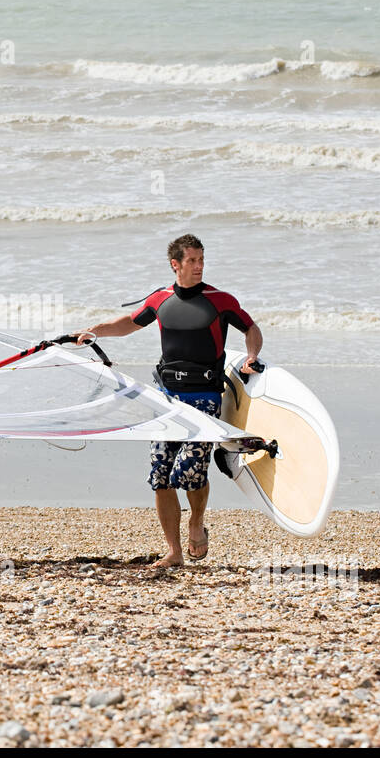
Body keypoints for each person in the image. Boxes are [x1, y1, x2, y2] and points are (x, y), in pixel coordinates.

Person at [73, 234, 262, 568]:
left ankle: (196, 523)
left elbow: (251, 328)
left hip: (204, 398)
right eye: (192, 260)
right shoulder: (160, 299)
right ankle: (174, 551)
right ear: (175, 264)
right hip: (166, 399)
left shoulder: (221, 301)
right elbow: (128, 323)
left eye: (201, 260)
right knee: (161, 476)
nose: (199, 266)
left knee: (189, 472)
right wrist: (94, 331)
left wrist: (252, 356)